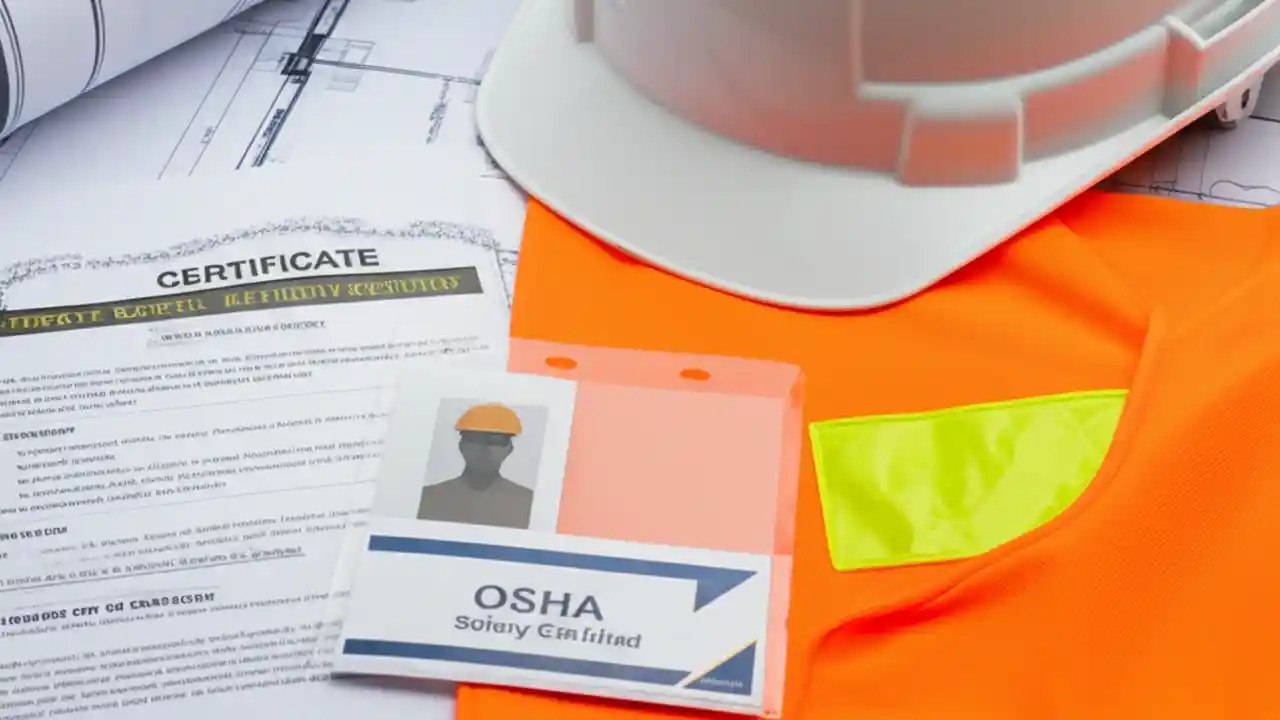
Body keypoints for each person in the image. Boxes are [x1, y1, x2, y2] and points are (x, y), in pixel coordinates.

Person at [417, 402, 534, 529]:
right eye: (475, 439)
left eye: (496, 441)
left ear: (509, 449)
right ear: (461, 445)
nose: (484, 449)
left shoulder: (528, 503)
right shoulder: (428, 499)